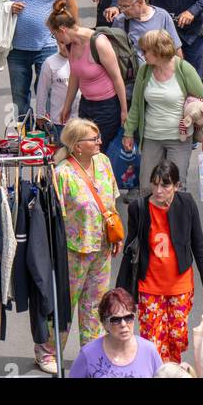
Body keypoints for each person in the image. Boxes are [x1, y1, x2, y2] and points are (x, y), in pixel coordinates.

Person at [34, 118, 122, 375]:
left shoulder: (104, 163)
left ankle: (91, 353)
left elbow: (111, 201)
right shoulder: (62, 173)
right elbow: (54, 217)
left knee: (95, 305)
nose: (99, 142)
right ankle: (48, 351)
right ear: (76, 145)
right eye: (93, 139)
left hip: (102, 246)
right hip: (74, 250)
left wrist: (114, 235)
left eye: (98, 138)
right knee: (66, 303)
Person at [117, 160, 203, 364]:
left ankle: (173, 371)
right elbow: (130, 250)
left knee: (177, 339)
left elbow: (198, 244)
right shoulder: (138, 208)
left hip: (180, 286)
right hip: (149, 287)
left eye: (165, 185)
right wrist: (122, 290)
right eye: (155, 184)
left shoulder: (186, 203)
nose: (159, 190)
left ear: (177, 186)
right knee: (153, 343)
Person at [122, 30, 203, 191]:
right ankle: (152, 217)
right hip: (151, 136)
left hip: (179, 139)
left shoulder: (183, 69)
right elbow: (136, 105)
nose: (142, 55)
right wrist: (128, 132)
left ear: (158, 51)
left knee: (176, 188)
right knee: (147, 187)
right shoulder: (144, 71)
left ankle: (176, 217)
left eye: (145, 51)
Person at [0, 0, 77, 119]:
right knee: (19, 97)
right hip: (16, 49)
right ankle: (25, 136)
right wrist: (8, 7)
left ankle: (48, 132)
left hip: (46, 47)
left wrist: (70, 39)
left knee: (49, 94)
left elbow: (71, 6)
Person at [48, 5, 128, 151]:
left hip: (107, 107)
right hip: (86, 105)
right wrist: (67, 105)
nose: (56, 39)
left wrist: (124, 110)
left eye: (54, 35)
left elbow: (117, 77)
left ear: (62, 30)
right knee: (84, 150)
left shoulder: (98, 43)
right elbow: (75, 75)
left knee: (99, 151)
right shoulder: (71, 44)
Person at [68, 288, 162, 380]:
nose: (123, 324)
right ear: (105, 324)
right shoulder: (88, 354)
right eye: (115, 320)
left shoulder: (149, 351)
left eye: (128, 317)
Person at [103, 0, 182, 68]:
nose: (122, 11)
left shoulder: (162, 16)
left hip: (157, 72)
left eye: (125, 6)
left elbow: (176, 48)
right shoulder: (120, 20)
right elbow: (112, 50)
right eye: (120, 7)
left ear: (140, 3)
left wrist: (180, 72)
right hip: (132, 77)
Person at [35, 34, 78, 139]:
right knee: (62, 152)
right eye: (61, 43)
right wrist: (40, 115)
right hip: (60, 121)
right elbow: (42, 90)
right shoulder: (50, 62)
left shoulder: (81, 60)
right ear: (57, 42)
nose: (64, 46)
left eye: (68, 43)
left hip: (81, 118)